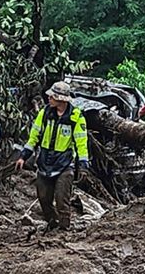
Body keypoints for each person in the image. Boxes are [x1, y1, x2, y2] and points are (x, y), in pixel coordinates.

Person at [17, 81, 90, 231]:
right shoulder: (44, 114)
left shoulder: (76, 117)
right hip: (44, 162)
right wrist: (23, 156)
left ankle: (64, 231)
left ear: (62, 99)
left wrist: (83, 166)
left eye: (52, 97)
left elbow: (81, 144)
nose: (49, 98)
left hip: (64, 164)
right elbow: (34, 137)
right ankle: (52, 223)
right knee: (43, 198)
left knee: (62, 199)